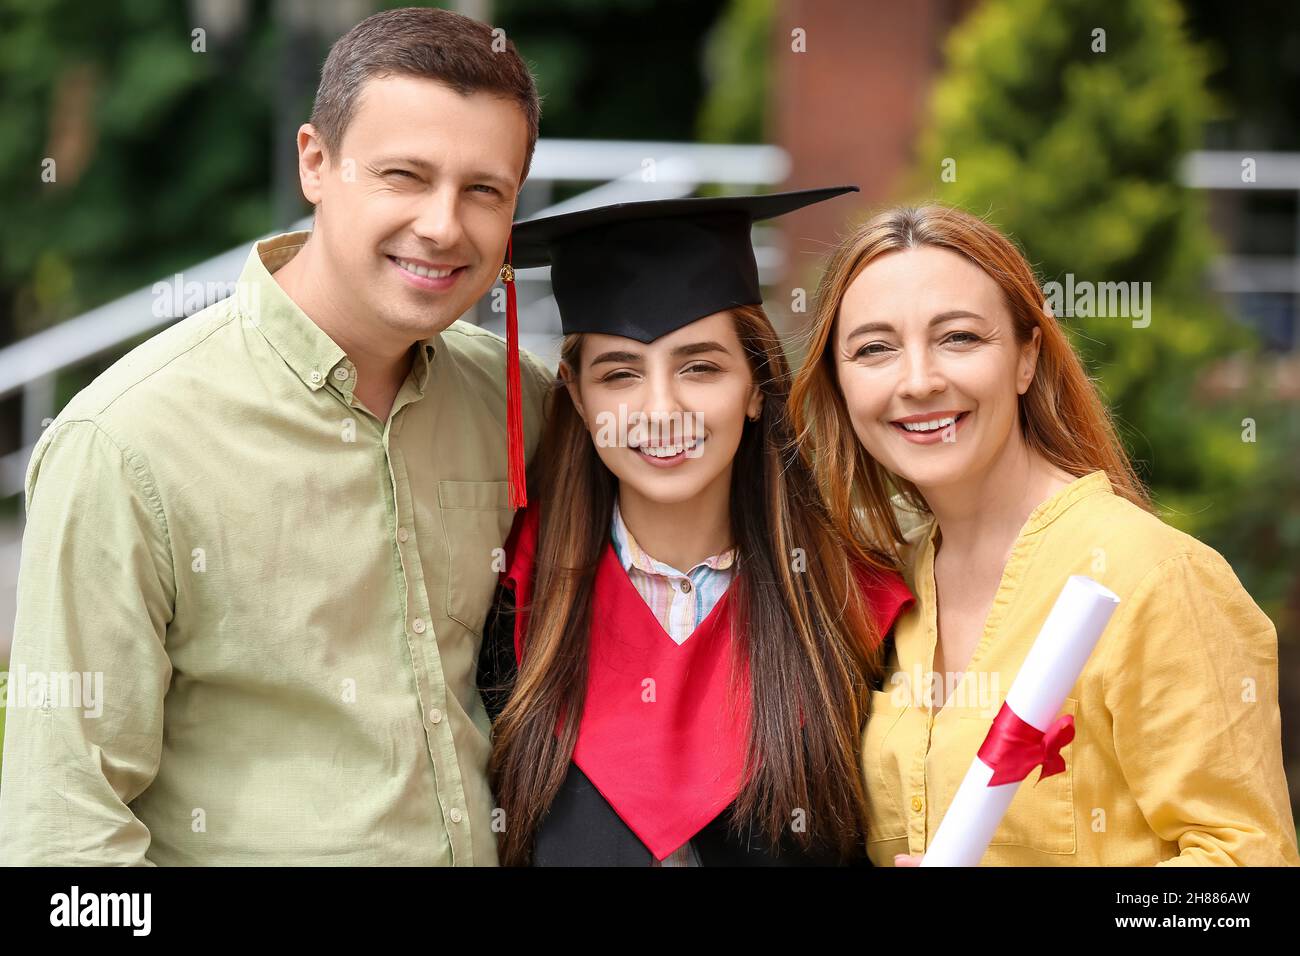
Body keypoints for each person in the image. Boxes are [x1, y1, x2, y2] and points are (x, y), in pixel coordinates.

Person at [0, 7, 551, 865]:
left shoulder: (517, 401)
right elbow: (66, 834)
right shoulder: (124, 442)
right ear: (315, 163)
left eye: (485, 190)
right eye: (404, 175)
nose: (445, 226)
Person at [789, 203, 1300, 866]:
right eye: (874, 349)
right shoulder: (887, 590)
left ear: (1027, 358)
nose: (918, 381)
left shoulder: (1149, 577)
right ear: (839, 381)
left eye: (959, 338)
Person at [479, 187, 916, 866]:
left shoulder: (854, 611)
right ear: (576, 393)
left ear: (754, 387)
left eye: (701, 367)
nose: (661, 408)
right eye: (619, 373)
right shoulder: (514, 609)